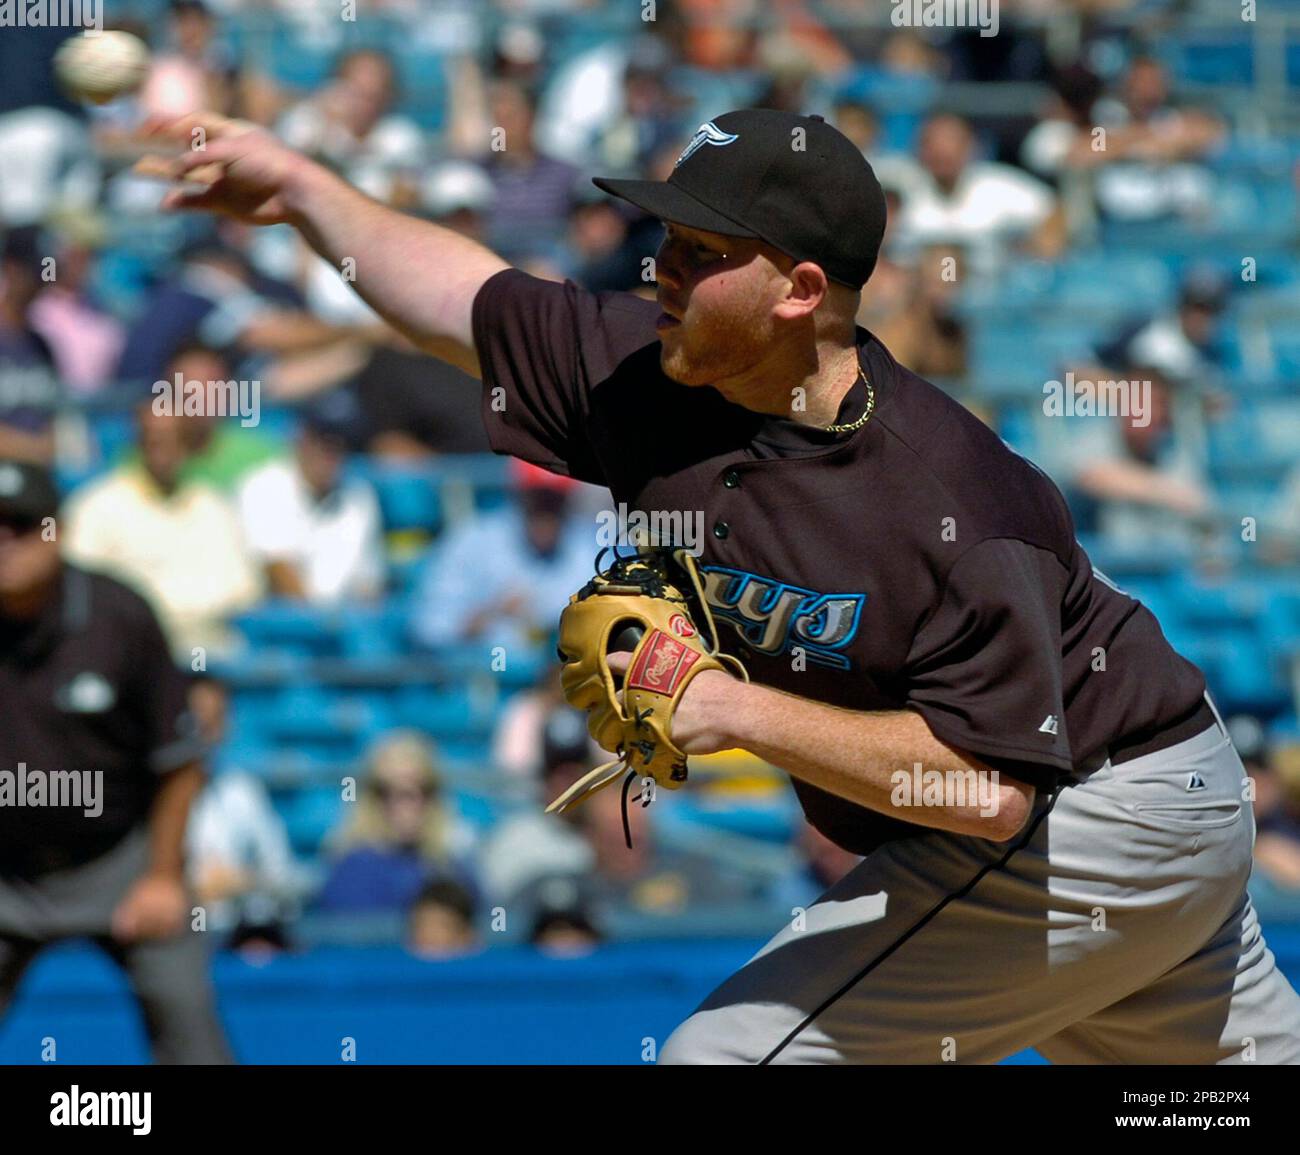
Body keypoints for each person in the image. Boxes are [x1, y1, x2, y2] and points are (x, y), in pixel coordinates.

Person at [141, 106, 1300, 1064]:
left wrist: (724, 707)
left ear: (799, 290)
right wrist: (299, 188)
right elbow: (464, 300)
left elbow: (985, 792)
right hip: (1145, 816)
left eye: (700, 252)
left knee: (727, 1061)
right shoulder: (660, 371)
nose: (661, 269)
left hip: (1091, 809)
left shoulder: (954, 499)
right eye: (664, 238)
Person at [0, 460, 232, 1063]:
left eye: (23, 525)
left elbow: (180, 760)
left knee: (190, 1028)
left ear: (59, 530)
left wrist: (162, 875)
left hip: (119, 858)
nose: (6, 542)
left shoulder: (117, 616)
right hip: (7, 873)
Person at [62, 398, 263, 660]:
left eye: (175, 440)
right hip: (128, 653)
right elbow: (83, 587)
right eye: (155, 440)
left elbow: (245, 588)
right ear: (139, 442)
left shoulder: (214, 505)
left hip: (209, 650)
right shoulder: (96, 505)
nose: (164, 452)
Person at [236, 390, 386, 604]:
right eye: (324, 439)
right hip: (283, 626)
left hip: (343, 624)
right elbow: (278, 571)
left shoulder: (359, 496)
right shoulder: (263, 486)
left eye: (343, 442)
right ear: (301, 438)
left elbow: (368, 585)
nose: (332, 451)